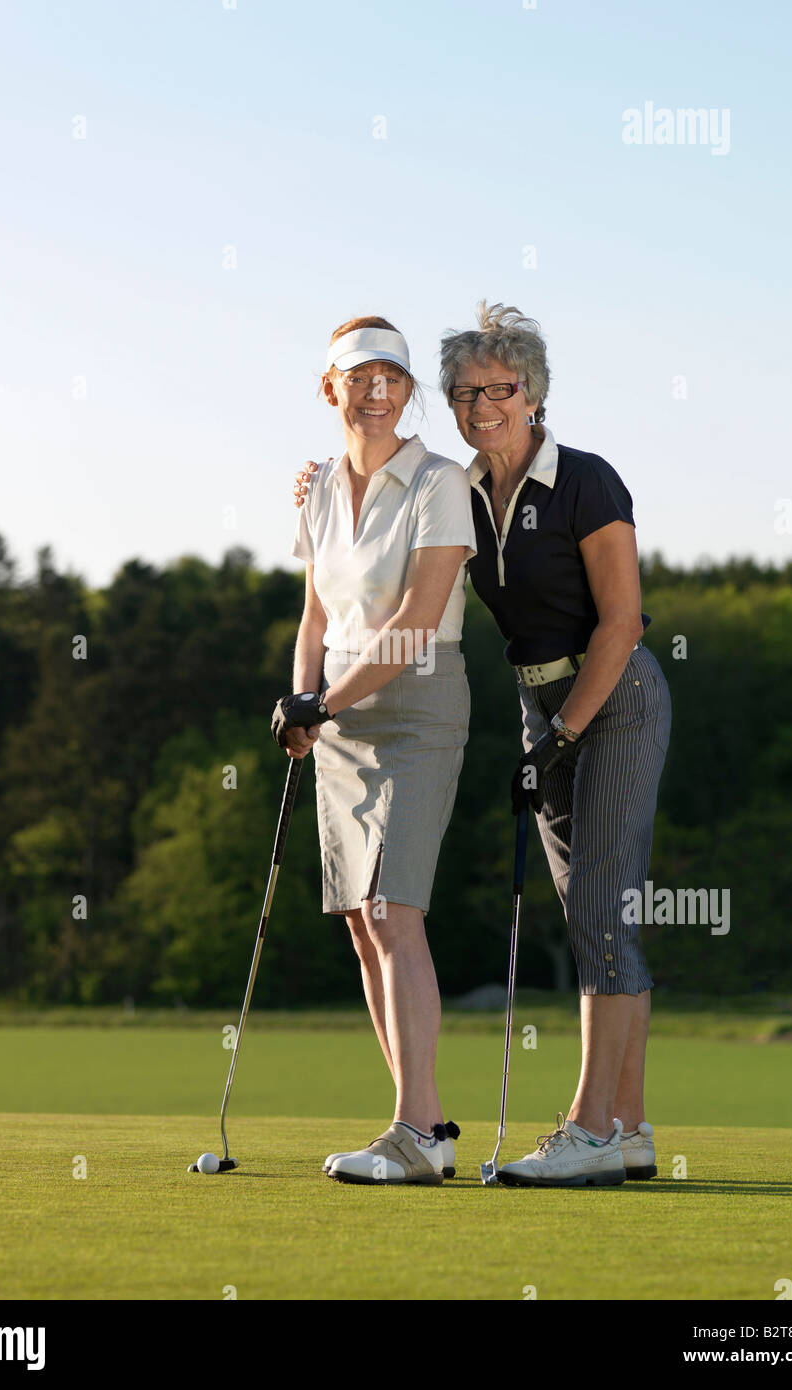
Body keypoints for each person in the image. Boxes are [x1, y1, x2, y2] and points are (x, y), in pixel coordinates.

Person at [295, 302, 671, 1188]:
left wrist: (567, 730)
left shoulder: (585, 480)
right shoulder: (461, 490)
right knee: (591, 908)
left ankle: (588, 1130)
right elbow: (381, 529)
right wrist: (317, 487)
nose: (482, 404)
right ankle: (632, 1127)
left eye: (500, 389)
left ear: (533, 395)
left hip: (613, 699)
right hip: (540, 710)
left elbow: (621, 624)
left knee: (602, 912)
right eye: (465, 392)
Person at [273, 315, 477, 1185]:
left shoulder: (439, 482)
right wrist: (301, 703)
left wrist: (323, 699)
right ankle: (419, 1124)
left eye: (392, 373)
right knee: (362, 921)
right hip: (340, 717)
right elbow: (317, 615)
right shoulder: (317, 490)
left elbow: (417, 622)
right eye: (359, 375)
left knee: (395, 909)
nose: (378, 387)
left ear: (407, 388)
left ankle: (418, 1132)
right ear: (333, 388)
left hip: (419, 704)